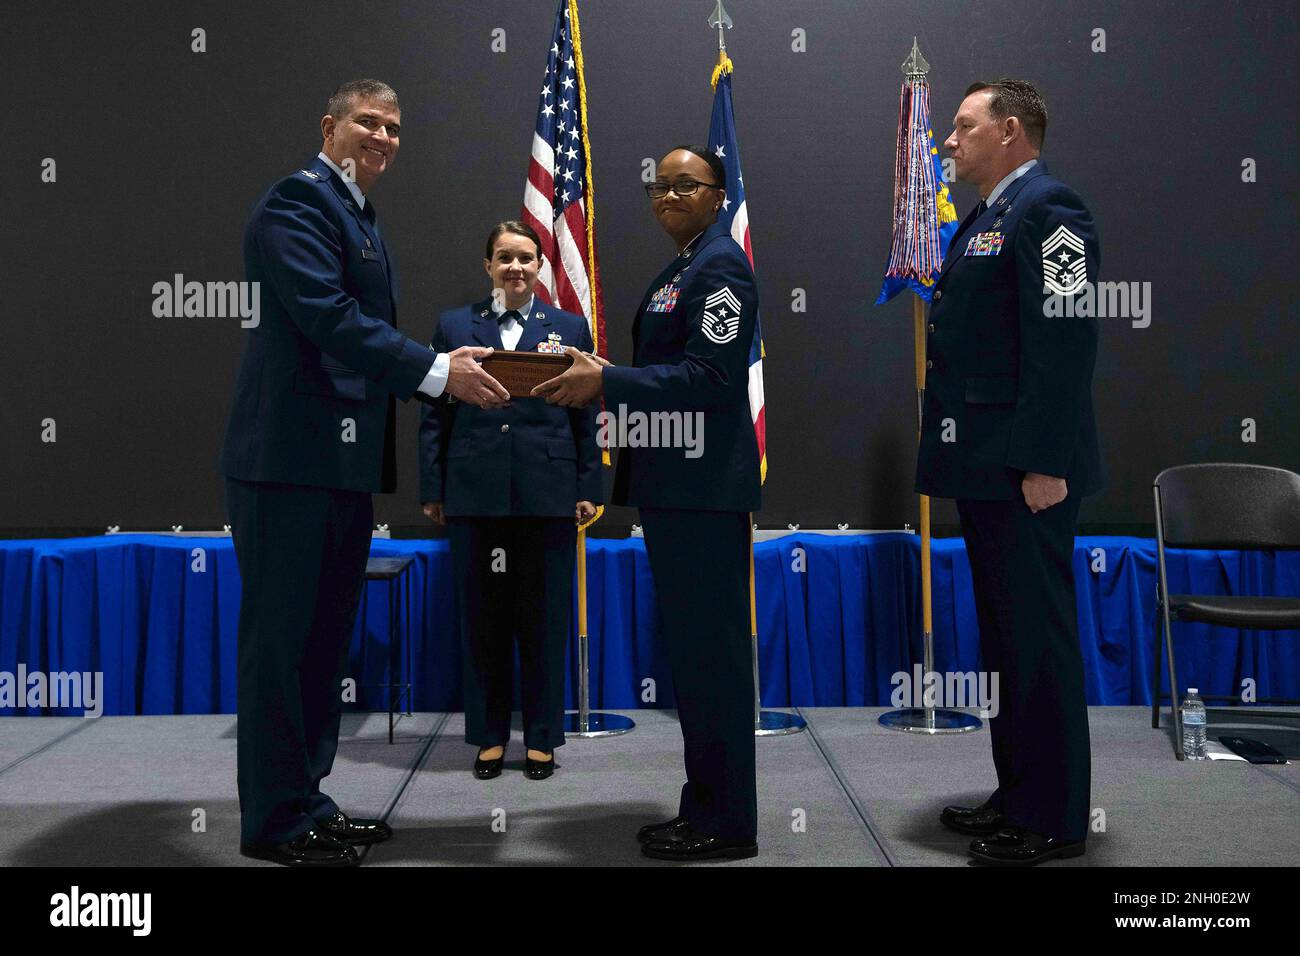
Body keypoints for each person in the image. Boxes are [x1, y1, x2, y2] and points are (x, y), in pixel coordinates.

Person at [220, 79, 509, 867]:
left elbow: (356, 332)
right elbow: (329, 318)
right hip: (287, 463)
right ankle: (274, 822)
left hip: (335, 465)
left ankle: (306, 800)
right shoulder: (297, 201)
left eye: (394, 127)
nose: (383, 137)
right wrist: (435, 371)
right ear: (330, 126)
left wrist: (434, 367)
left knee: (320, 645)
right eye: (368, 122)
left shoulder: (354, 212)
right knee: (282, 646)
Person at [533, 146, 761, 861]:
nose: (667, 194)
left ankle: (726, 825)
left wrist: (608, 382)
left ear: (718, 195)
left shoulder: (719, 264)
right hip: (674, 488)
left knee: (713, 663)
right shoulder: (683, 266)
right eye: (658, 184)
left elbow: (708, 378)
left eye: (685, 184)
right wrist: (611, 376)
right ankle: (706, 809)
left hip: (703, 491)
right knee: (694, 661)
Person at [916, 78, 1103, 866]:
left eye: (965, 127)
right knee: (1006, 645)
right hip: (985, 466)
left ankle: (1056, 818)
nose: (950, 142)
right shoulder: (988, 218)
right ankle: (1018, 794)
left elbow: (1063, 347)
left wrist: (1043, 462)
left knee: (1040, 644)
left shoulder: (1053, 211)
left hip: (1027, 471)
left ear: (1013, 132)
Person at [418, 220, 601, 780]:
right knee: (483, 621)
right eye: (504, 258)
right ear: (488, 266)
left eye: (526, 257)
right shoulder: (453, 326)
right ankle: (490, 738)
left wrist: (588, 486)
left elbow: (587, 413)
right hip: (474, 493)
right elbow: (433, 414)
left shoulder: (568, 327)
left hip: (547, 493)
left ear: (540, 266)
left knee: (544, 618)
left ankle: (543, 738)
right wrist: (433, 487)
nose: (516, 267)